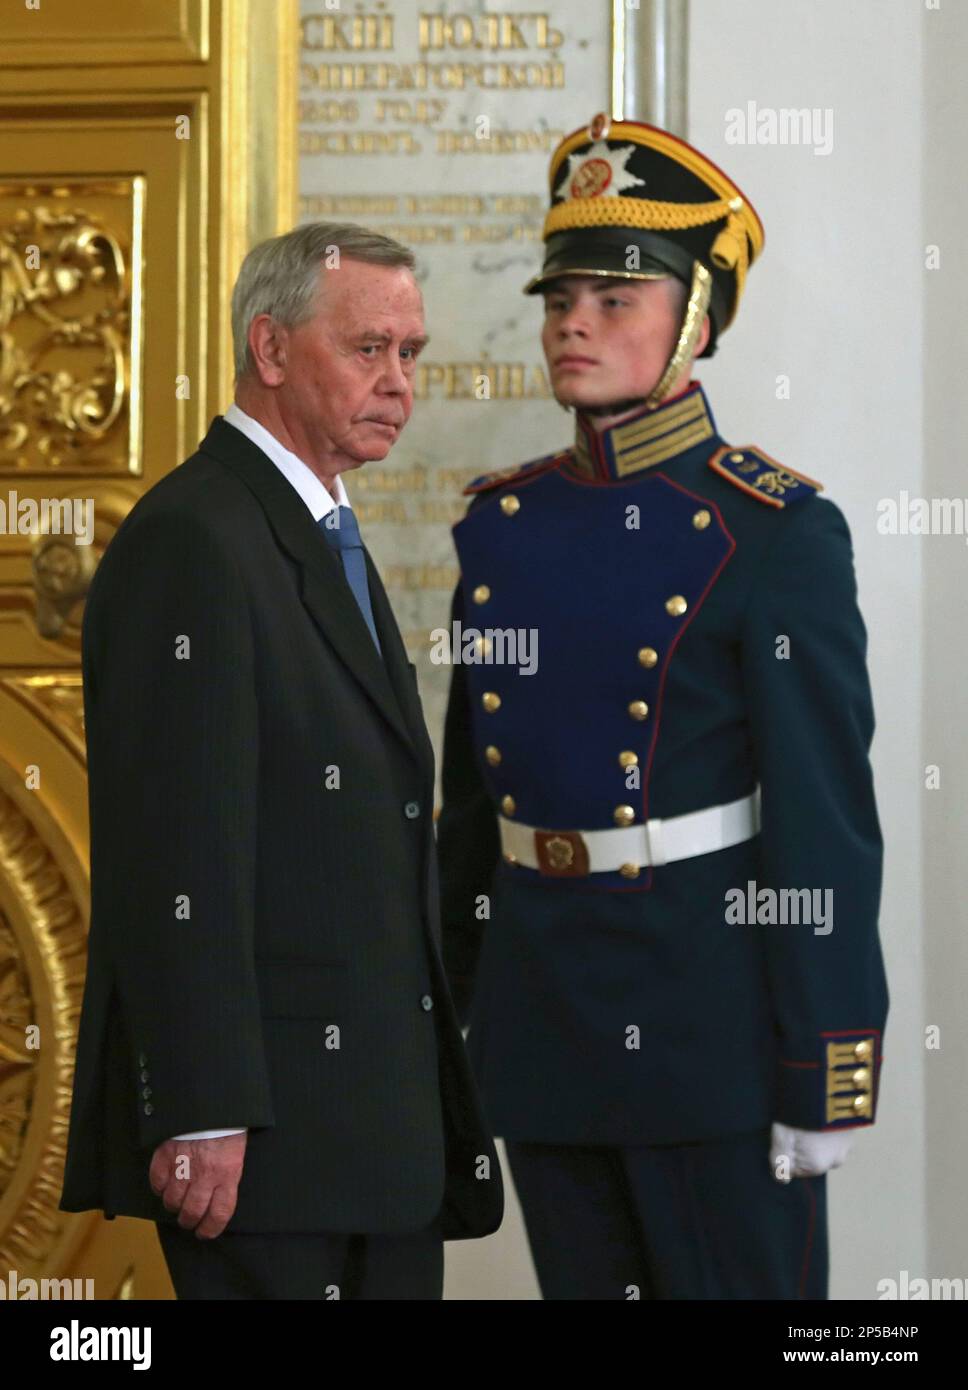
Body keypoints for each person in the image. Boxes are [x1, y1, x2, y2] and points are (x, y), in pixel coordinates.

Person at [437, 113, 887, 1300]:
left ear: (694, 321)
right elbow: (466, 813)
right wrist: (456, 1032)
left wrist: (825, 1063)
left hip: (709, 1039)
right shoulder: (500, 524)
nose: (572, 321)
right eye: (557, 297)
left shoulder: (774, 532)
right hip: (544, 1025)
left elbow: (822, 824)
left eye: (613, 297)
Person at [59, 222, 503, 1300]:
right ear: (268, 349)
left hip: (369, 1138)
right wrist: (202, 1105)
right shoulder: (195, 540)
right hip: (265, 1144)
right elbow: (175, 851)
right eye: (368, 349)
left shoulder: (316, 528)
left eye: (412, 353)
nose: (399, 382)